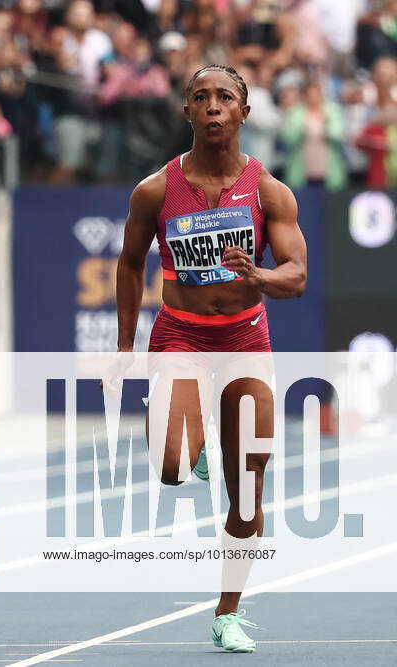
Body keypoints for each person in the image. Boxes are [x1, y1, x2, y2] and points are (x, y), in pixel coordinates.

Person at [116, 65, 307, 653]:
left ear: (244, 112)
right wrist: (125, 347)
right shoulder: (155, 190)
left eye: (225, 97)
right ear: (188, 113)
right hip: (182, 337)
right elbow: (128, 265)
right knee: (171, 465)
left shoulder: (270, 191)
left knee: (248, 491)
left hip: (246, 342)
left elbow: (297, 275)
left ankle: (227, 612)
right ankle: (192, 446)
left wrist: (263, 274)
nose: (214, 106)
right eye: (201, 98)